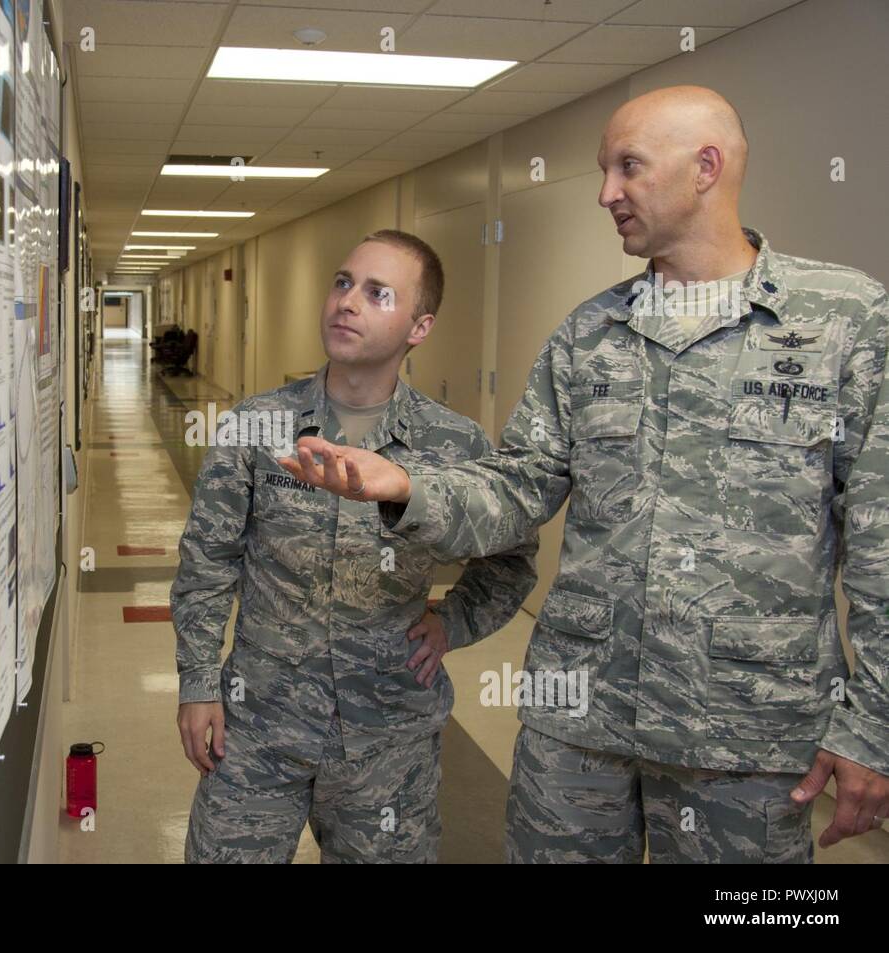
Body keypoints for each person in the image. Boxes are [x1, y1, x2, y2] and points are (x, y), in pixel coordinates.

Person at [279, 86, 889, 863]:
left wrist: (872, 722)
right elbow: (520, 485)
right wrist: (406, 486)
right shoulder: (589, 335)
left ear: (706, 168)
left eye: (627, 167)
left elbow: (880, 539)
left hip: (747, 733)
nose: (606, 193)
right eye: (604, 170)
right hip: (577, 720)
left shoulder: (842, 320)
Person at [172, 229, 538, 863]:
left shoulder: (454, 446)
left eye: (378, 293)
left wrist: (451, 623)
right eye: (343, 283)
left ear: (419, 327)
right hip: (258, 727)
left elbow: (512, 556)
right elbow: (209, 559)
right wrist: (199, 682)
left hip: (388, 742)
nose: (348, 302)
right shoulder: (256, 428)